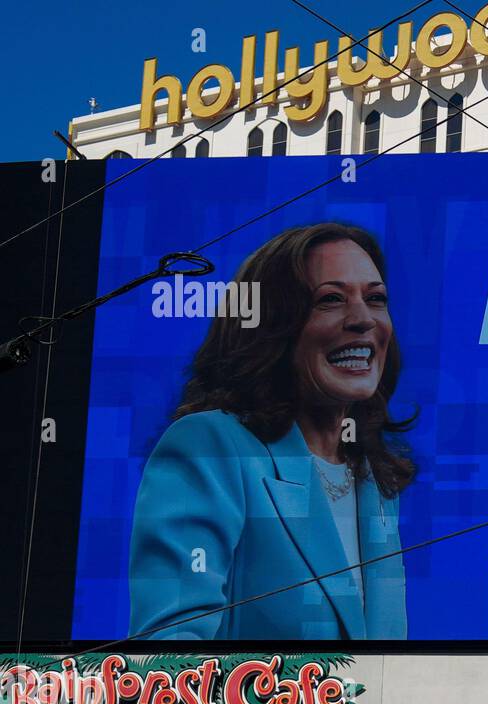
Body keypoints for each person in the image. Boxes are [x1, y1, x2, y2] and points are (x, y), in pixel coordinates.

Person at [129, 223, 416, 640]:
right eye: (330, 299)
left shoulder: (371, 479)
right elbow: (169, 656)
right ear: (271, 326)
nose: (363, 320)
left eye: (375, 299)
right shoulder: (210, 446)